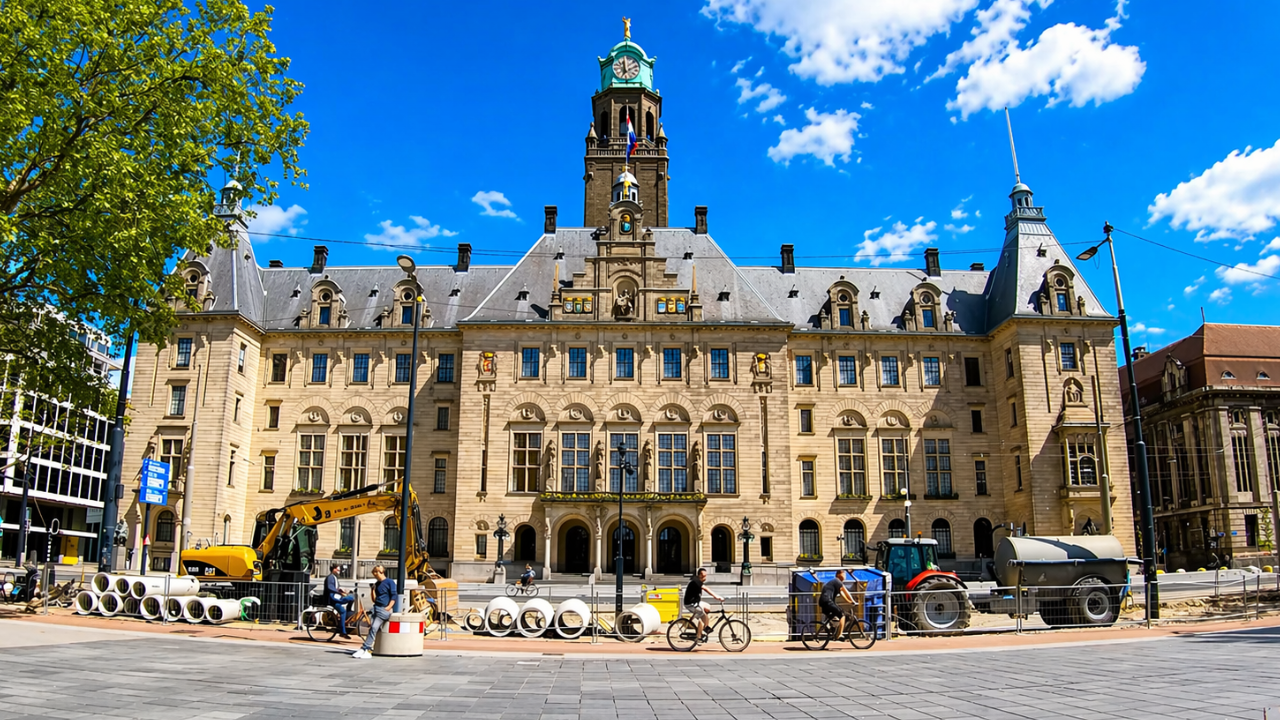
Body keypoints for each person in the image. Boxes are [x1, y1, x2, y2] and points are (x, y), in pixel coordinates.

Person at [352, 565, 396, 659]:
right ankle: (366, 648)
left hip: (383, 609)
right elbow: (375, 599)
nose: (375, 576)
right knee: (372, 628)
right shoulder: (377, 584)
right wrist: (372, 590)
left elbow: (394, 596)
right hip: (376, 608)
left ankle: (367, 649)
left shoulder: (390, 582)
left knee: (374, 627)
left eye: (376, 573)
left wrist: (388, 607)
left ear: (381, 572)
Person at [683, 567, 724, 643]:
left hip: (696, 603)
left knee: (708, 607)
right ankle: (699, 637)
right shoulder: (696, 581)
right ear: (699, 575)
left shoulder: (698, 581)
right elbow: (706, 589)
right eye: (702, 575)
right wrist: (717, 597)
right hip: (690, 604)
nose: (704, 577)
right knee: (702, 615)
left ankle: (703, 626)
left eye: (705, 575)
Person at [819, 569, 856, 638]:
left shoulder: (835, 583)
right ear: (839, 574)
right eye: (844, 574)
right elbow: (846, 592)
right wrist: (853, 601)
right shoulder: (837, 581)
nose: (845, 576)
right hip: (827, 601)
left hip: (825, 601)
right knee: (842, 614)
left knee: (835, 615)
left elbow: (842, 593)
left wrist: (849, 601)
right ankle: (839, 635)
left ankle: (830, 627)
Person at [325, 565, 355, 639]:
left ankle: (347, 615)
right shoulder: (330, 577)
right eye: (338, 570)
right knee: (345, 608)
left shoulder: (333, 577)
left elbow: (336, 588)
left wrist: (342, 590)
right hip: (333, 599)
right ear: (333, 569)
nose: (339, 571)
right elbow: (330, 588)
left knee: (351, 599)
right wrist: (340, 592)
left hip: (335, 597)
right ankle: (342, 631)